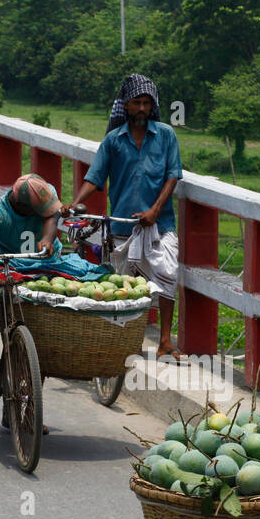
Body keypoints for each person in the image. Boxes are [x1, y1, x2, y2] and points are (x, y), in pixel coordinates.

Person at [65, 73, 184, 360]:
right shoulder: (113, 141)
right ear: (126, 106)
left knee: (167, 275)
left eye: (146, 103)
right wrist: (74, 203)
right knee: (124, 286)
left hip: (161, 223)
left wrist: (155, 210)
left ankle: (166, 341)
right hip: (123, 224)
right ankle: (126, 341)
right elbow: (95, 177)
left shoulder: (166, 135)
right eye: (136, 103)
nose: (141, 108)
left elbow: (172, 175)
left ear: (152, 106)